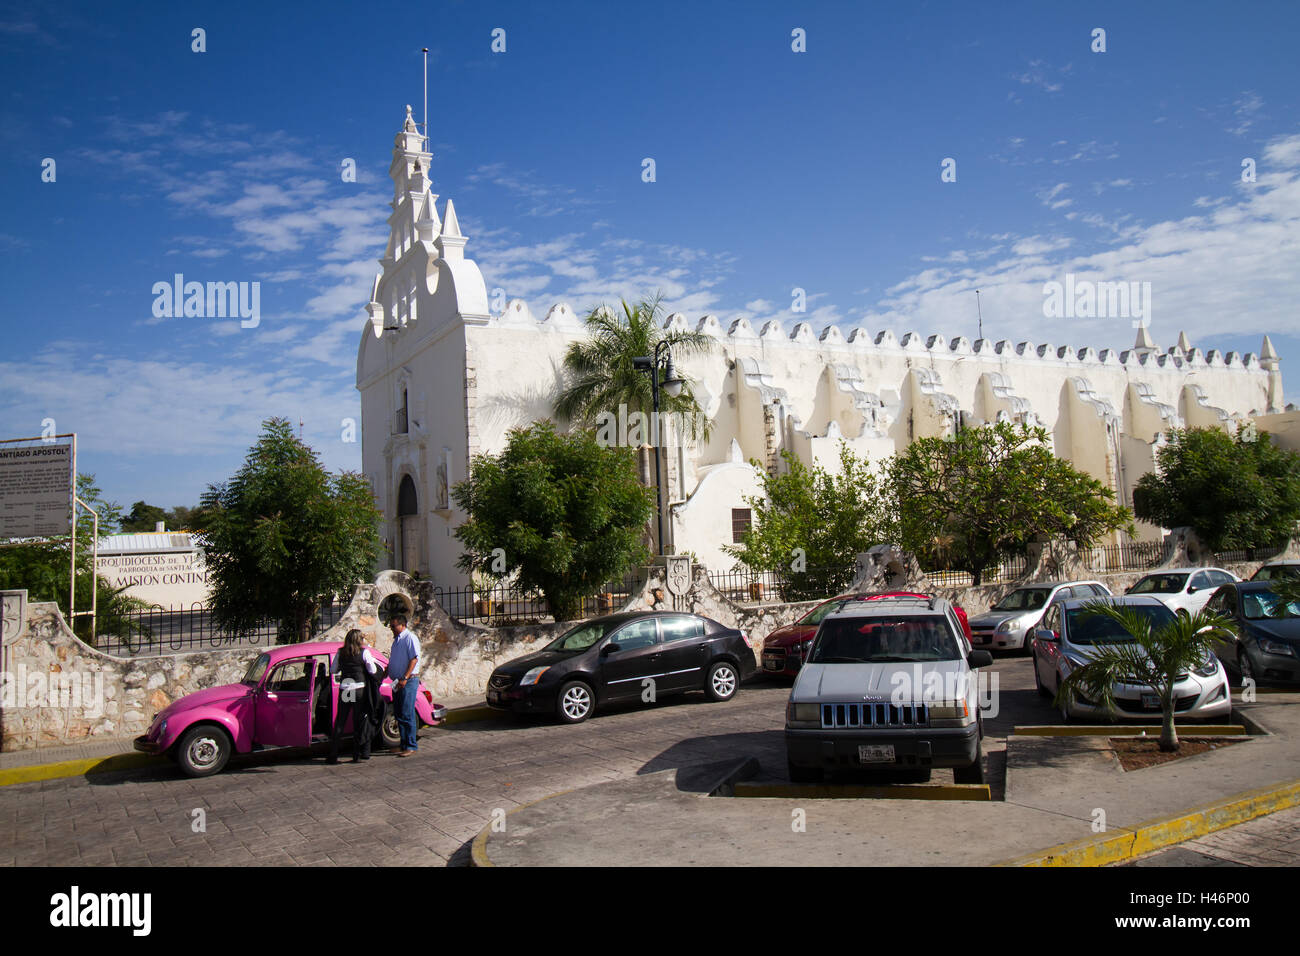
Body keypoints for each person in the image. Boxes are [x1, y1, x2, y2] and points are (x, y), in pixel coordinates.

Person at [328, 629, 380, 764]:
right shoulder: (364, 652)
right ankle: (356, 754)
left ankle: (333, 754)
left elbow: (333, 670)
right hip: (359, 689)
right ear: (359, 640)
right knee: (357, 722)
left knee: (341, 721)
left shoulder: (341, 652)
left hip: (346, 688)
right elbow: (373, 670)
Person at [386, 612, 422, 757]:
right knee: (399, 713)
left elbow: (414, 659)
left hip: (407, 680)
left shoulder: (410, 638)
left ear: (403, 625)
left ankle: (411, 745)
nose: (392, 629)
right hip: (397, 680)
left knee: (407, 713)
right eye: (391, 626)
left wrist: (405, 677)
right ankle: (403, 743)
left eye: (394, 626)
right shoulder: (397, 641)